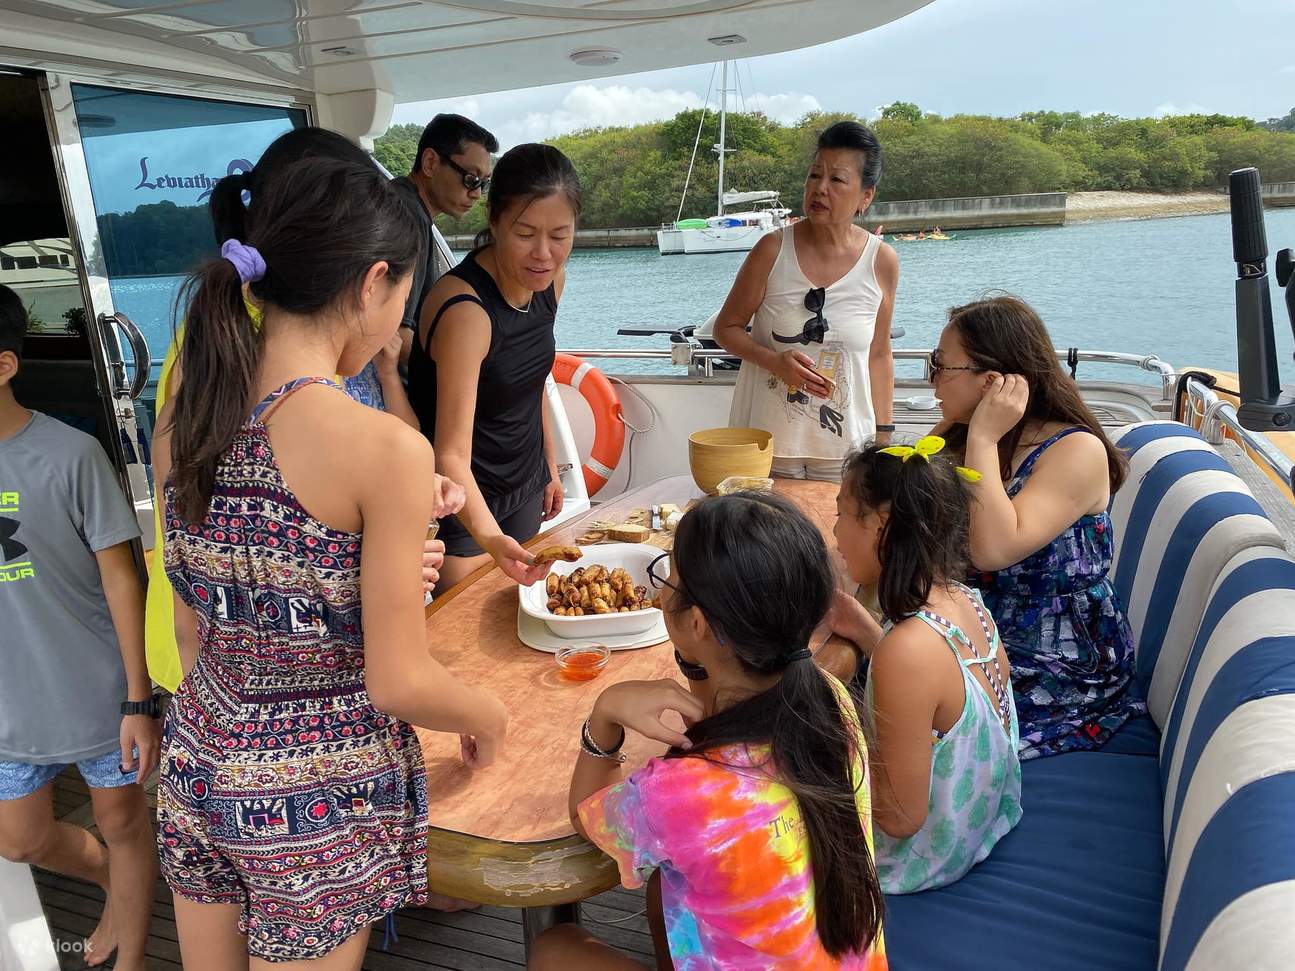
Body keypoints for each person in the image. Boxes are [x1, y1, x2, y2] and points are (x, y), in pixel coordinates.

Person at [157, 156, 508, 968]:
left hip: (200, 755)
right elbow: (397, 682)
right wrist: (490, 717)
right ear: (372, 282)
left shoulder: (186, 408)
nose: (396, 329)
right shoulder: (383, 444)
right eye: (401, 301)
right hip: (312, 798)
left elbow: (199, 610)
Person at [531, 492, 888, 970]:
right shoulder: (830, 699)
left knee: (555, 948)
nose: (662, 593)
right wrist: (700, 658)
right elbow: (716, 701)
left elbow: (587, 818)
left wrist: (606, 714)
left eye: (669, 582)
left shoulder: (680, 791)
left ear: (697, 621)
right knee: (672, 885)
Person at [146, 126, 444, 694]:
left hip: (215, 698)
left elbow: (267, 520)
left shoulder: (243, 332)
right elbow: (257, 537)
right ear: (370, 278)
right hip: (239, 669)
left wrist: (377, 546)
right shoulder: (258, 351)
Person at [0, 284, 158, 970]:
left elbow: (124, 580)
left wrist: (138, 697)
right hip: (10, 703)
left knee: (123, 821)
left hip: (94, 687)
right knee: (20, 839)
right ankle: (116, 889)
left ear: (4, 364)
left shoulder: (70, 453)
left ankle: (133, 949)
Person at [931, 294, 1142, 759]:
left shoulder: (1076, 451)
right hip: (975, 632)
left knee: (899, 715)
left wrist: (984, 436)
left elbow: (993, 549)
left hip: (1053, 661)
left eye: (940, 365)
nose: (932, 380)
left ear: (992, 382)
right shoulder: (961, 437)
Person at [833, 437, 1021, 894]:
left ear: (881, 525)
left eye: (841, 514)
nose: (835, 533)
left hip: (923, 861)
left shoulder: (908, 650)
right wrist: (867, 633)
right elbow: (942, 694)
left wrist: (828, 730)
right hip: (979, 825)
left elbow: (899, 816)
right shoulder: (963, 600)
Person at [409, 143, 580, 591]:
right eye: (525, 234)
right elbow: (449, 456)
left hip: (524, 485)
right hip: (465, 507)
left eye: (560, 235)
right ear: (495, 220)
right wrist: (490, 537)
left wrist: (549, 464)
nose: (543, 253)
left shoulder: (550, 283)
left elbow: (533, 376)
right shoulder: (467, 310)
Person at [715, 121, 898, 480]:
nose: (820, 188)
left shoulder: (882, 261)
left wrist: (884, 438)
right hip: (769, 446)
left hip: (845, 451)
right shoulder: (772, 249)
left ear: (866, 196)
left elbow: (879, 354)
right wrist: (773, 361)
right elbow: (727, 329)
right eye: (815, 175)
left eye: (837, 180)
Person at [389, 113, 500, 358]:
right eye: (471, 179)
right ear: (430, 163)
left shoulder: (397, 199)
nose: (477, 194)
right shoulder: (408, 217)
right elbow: (395, 335)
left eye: (484, 183)